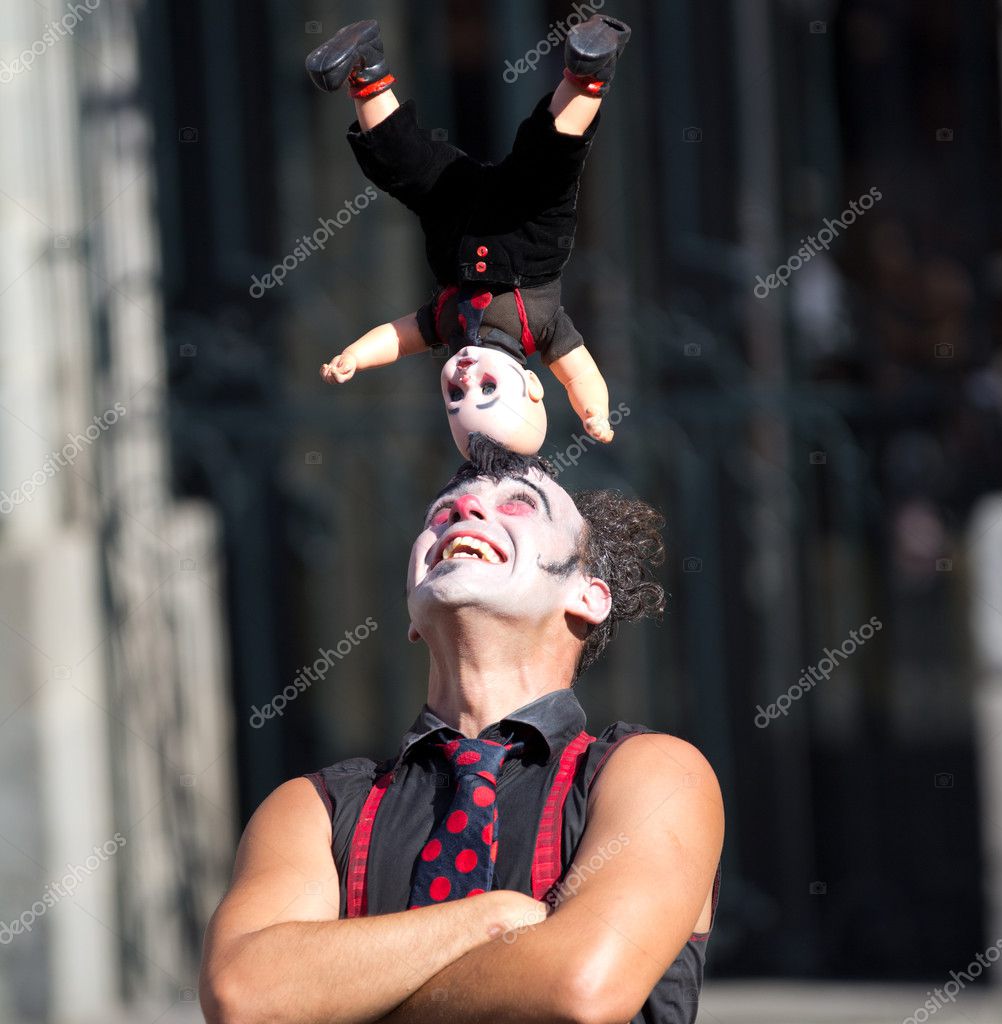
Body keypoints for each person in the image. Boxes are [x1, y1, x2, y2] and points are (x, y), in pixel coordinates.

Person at [199, 435, 724, 1024]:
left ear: (588, 596)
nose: (465, 513)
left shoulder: (654, 774)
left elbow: (580, 990)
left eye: (519, 505)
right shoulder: (313, 810)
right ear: (411, 613)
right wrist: (492, 919)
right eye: (442, 513)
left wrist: (344, 993)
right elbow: (244, 996)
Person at [308, 15, 632, 456]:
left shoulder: (446, 325)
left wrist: (356, 357)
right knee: (548, 155)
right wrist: (595, 411)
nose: (465, 379)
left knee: (403, 166)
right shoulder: (543, 330)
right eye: (488, 388)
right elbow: (579, 374)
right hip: (528, 225)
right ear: (531, 385)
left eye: (456, 398)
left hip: (455, 215)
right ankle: (589, 73)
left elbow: (399, 336)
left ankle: (366, 69)